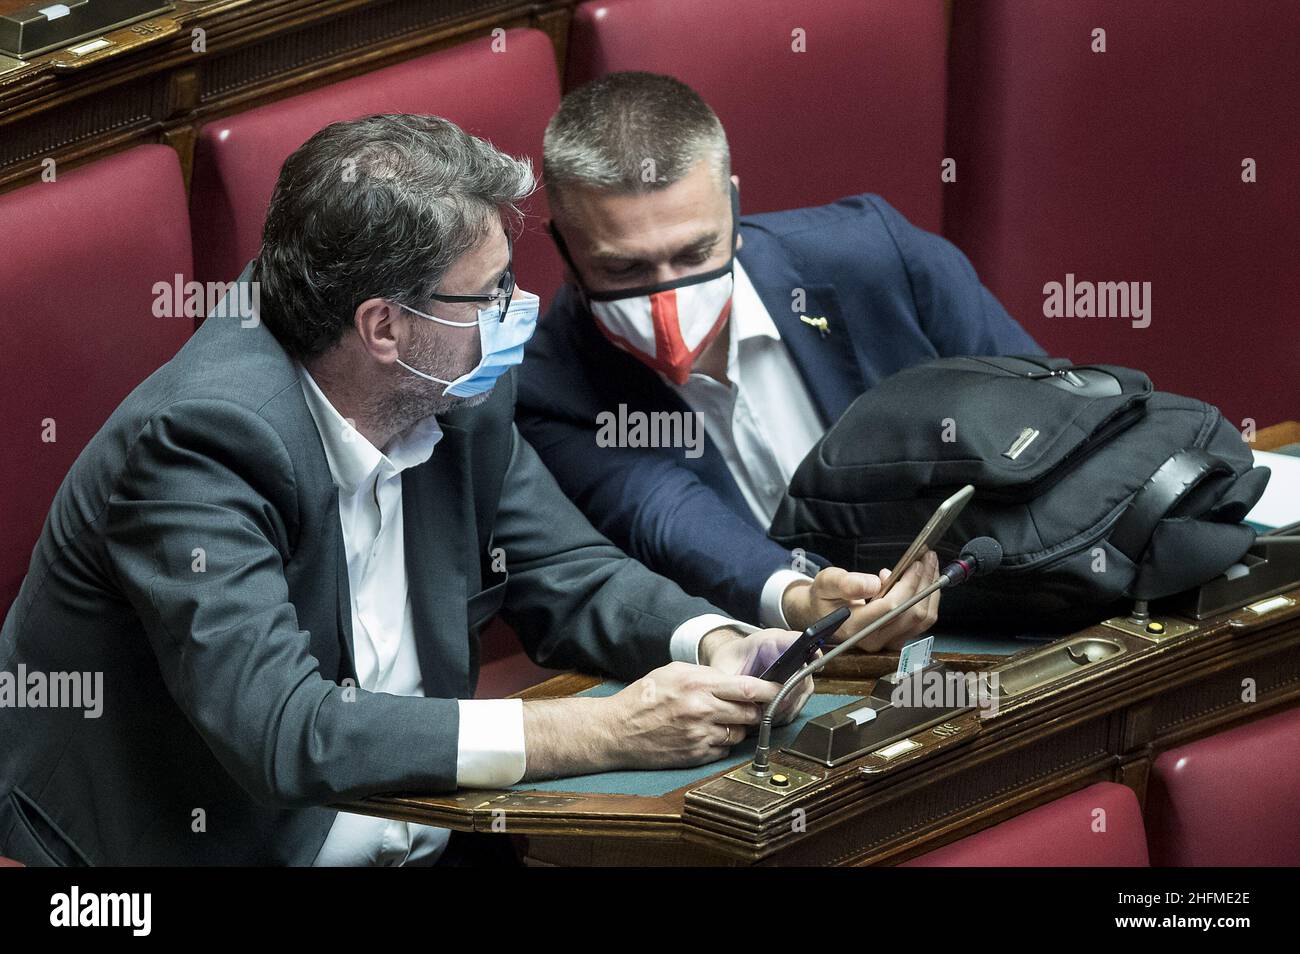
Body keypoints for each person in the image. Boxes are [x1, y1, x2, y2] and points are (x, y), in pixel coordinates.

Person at [0, 114, 833, 866]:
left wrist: (715, 642)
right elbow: (283, 730)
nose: (518, 310)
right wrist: (600, 730)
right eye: (491, 293)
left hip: (434, 833)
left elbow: (569, 570)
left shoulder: (453, 385)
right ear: (385, 327)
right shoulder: (203, 444)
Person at [517, 71, 1041, 639]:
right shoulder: (550, 387)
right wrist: (800, 601)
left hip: (1003, 596)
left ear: (734, 208)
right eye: (624, 268)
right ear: (565, 250)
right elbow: (662, 516)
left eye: (695, 253)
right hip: (774, 657)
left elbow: (1043, 408)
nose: (668, 295)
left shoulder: (879, 258)